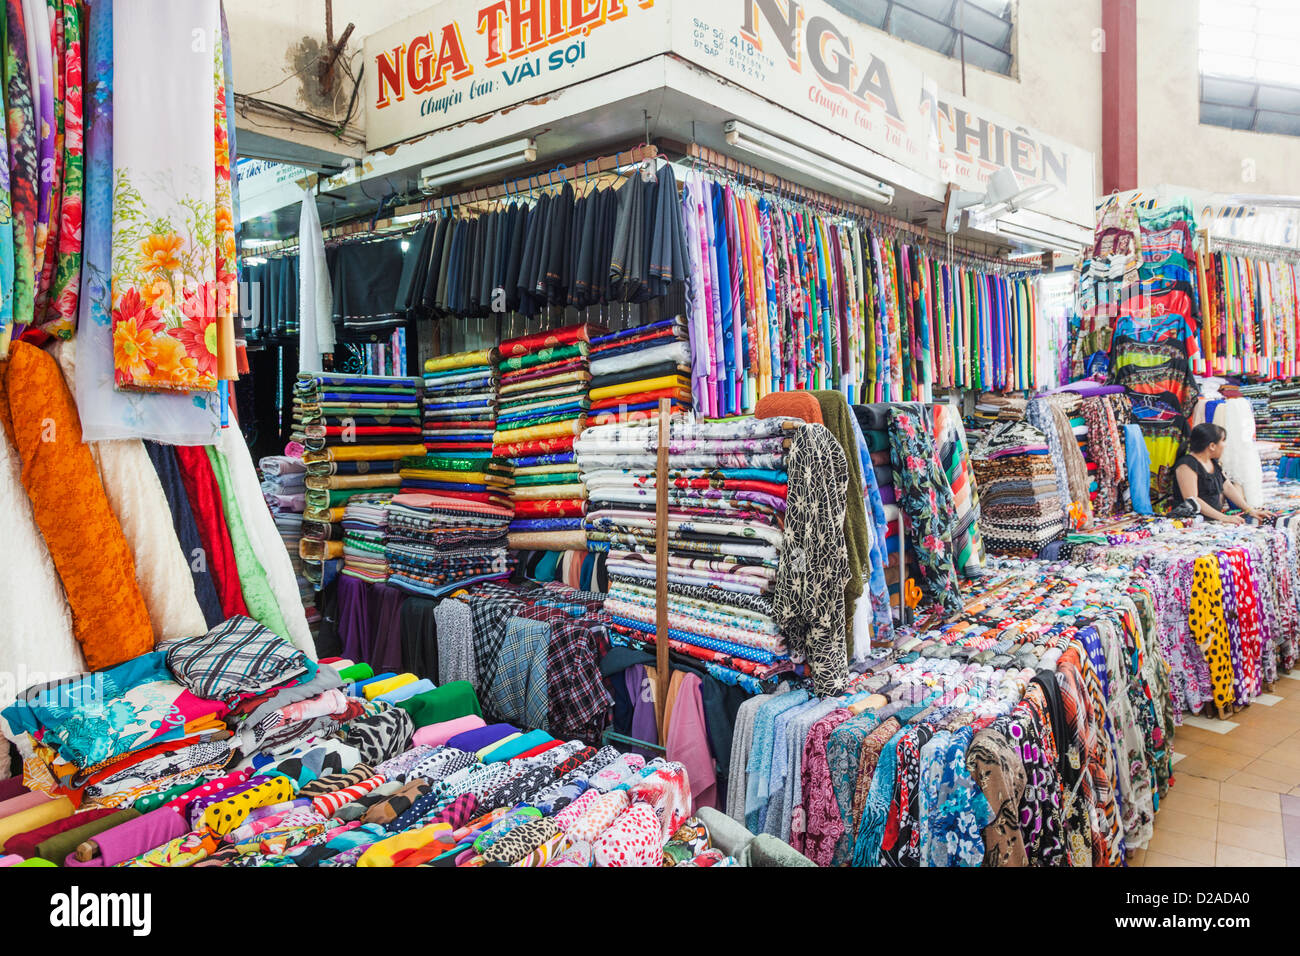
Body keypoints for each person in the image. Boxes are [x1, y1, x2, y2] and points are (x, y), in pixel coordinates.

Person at [1173, 422, 1274, 525]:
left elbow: (1227, 487)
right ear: (1212, 446)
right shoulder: (1186, 465)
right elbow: (1192, 499)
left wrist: (1249, 510)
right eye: (1223, 440)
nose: (1225, 445)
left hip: (1211, 522)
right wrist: (1224, 517)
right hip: (1192, 524)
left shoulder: (1213, 462)